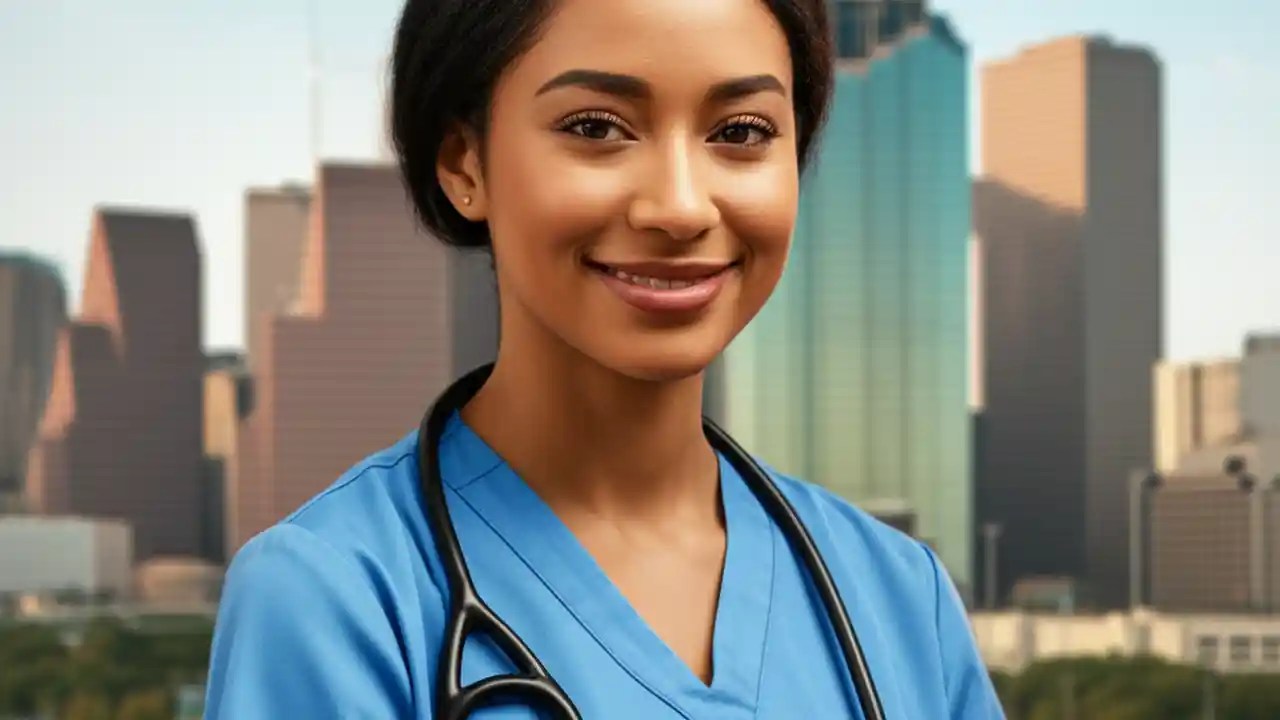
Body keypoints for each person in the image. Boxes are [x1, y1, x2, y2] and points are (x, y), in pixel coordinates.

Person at [204, 0, 1006, 717]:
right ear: (463, 163)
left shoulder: (900, 599)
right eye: (596, 127)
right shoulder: (335, 595)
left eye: (741, 133)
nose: (681, 207)